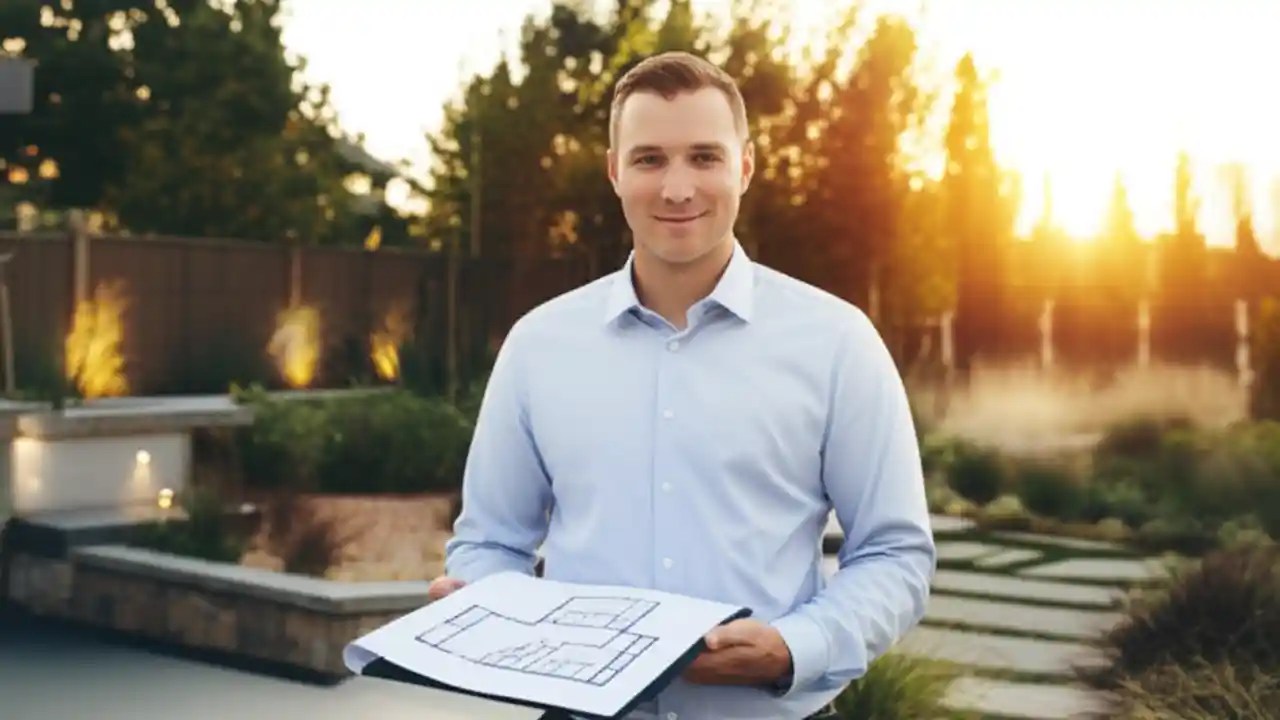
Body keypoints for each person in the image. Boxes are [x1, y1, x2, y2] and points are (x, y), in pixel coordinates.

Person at [432, 50, 936, 720]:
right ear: (615, 172)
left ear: (745, 166)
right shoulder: (538, 346)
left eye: (704, 157)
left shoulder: (838, 344)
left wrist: (796, 646)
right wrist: (486, 602)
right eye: (649, 159)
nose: (677, 188)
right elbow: (490, 540)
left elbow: (894, 553)